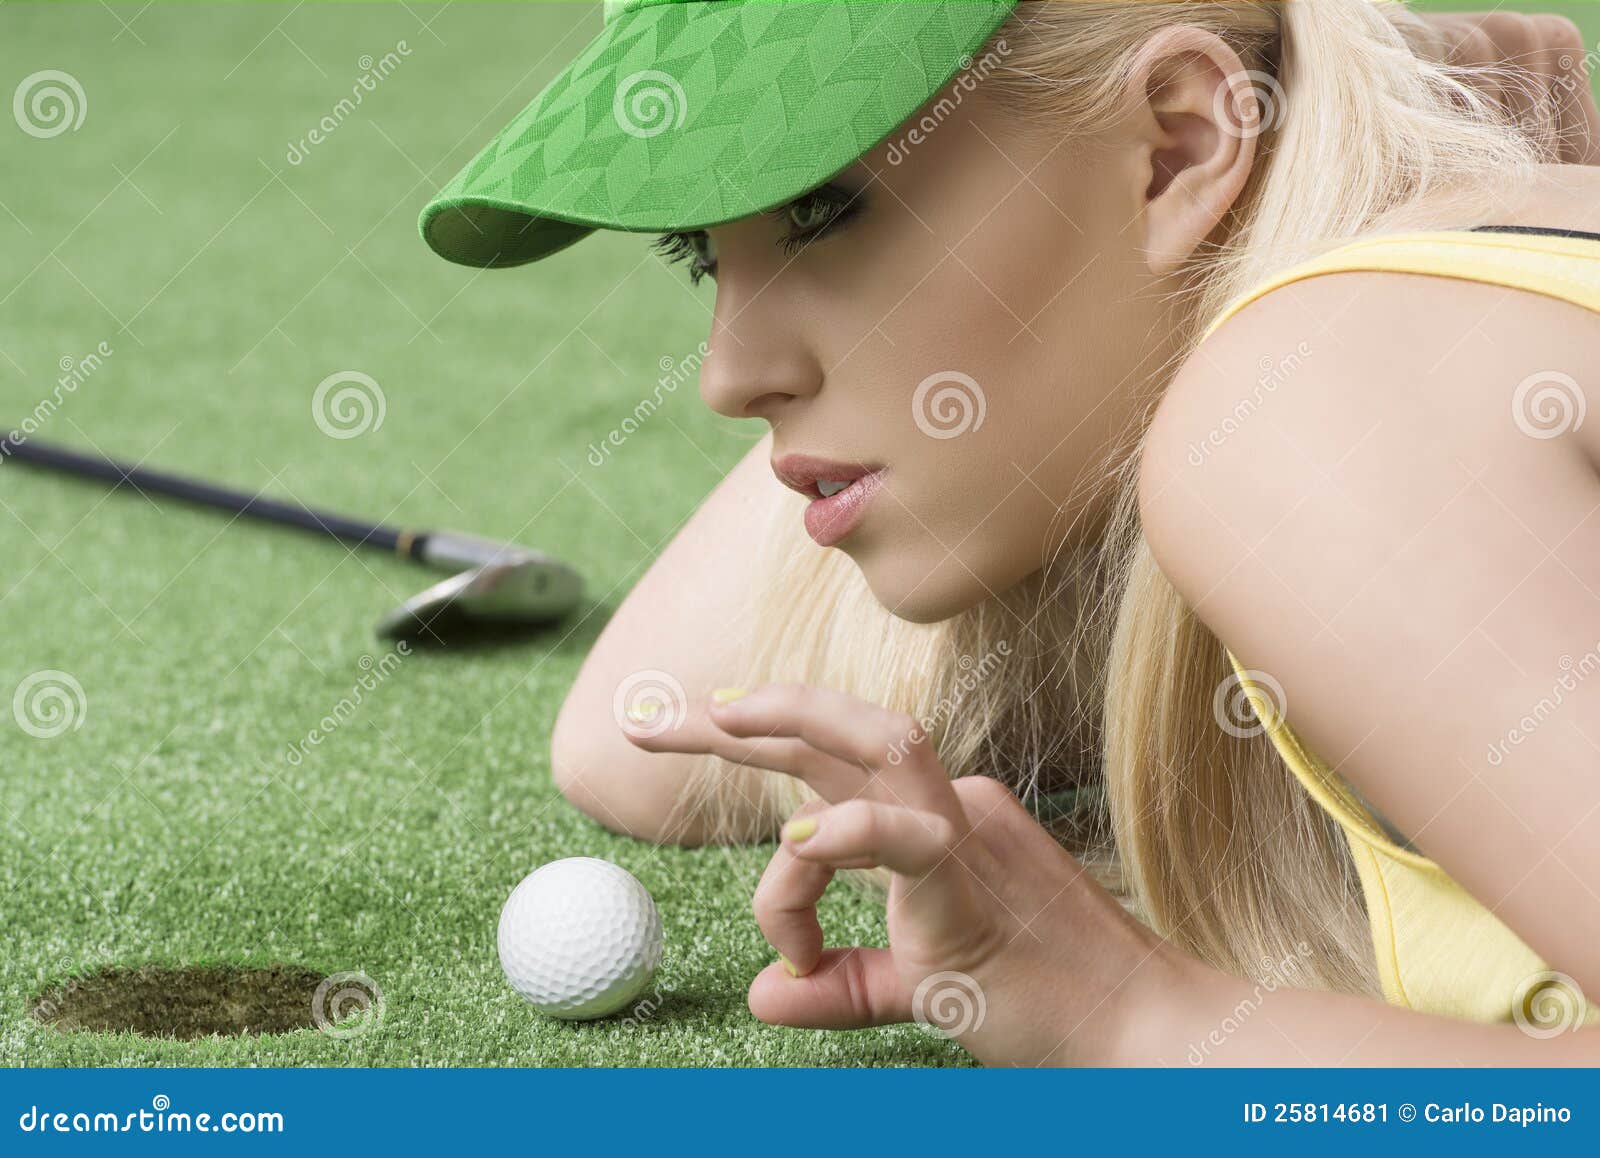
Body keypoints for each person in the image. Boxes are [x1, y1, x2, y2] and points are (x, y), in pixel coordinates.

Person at [421, 1, 1600, 1065]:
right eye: (699, 254)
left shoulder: (1304, 412)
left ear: (1177, 148)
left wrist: (1138, 1017)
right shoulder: (1381, 354)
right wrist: (1345, 101)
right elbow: (644, 737)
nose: (728, 375)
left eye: (823, 211)